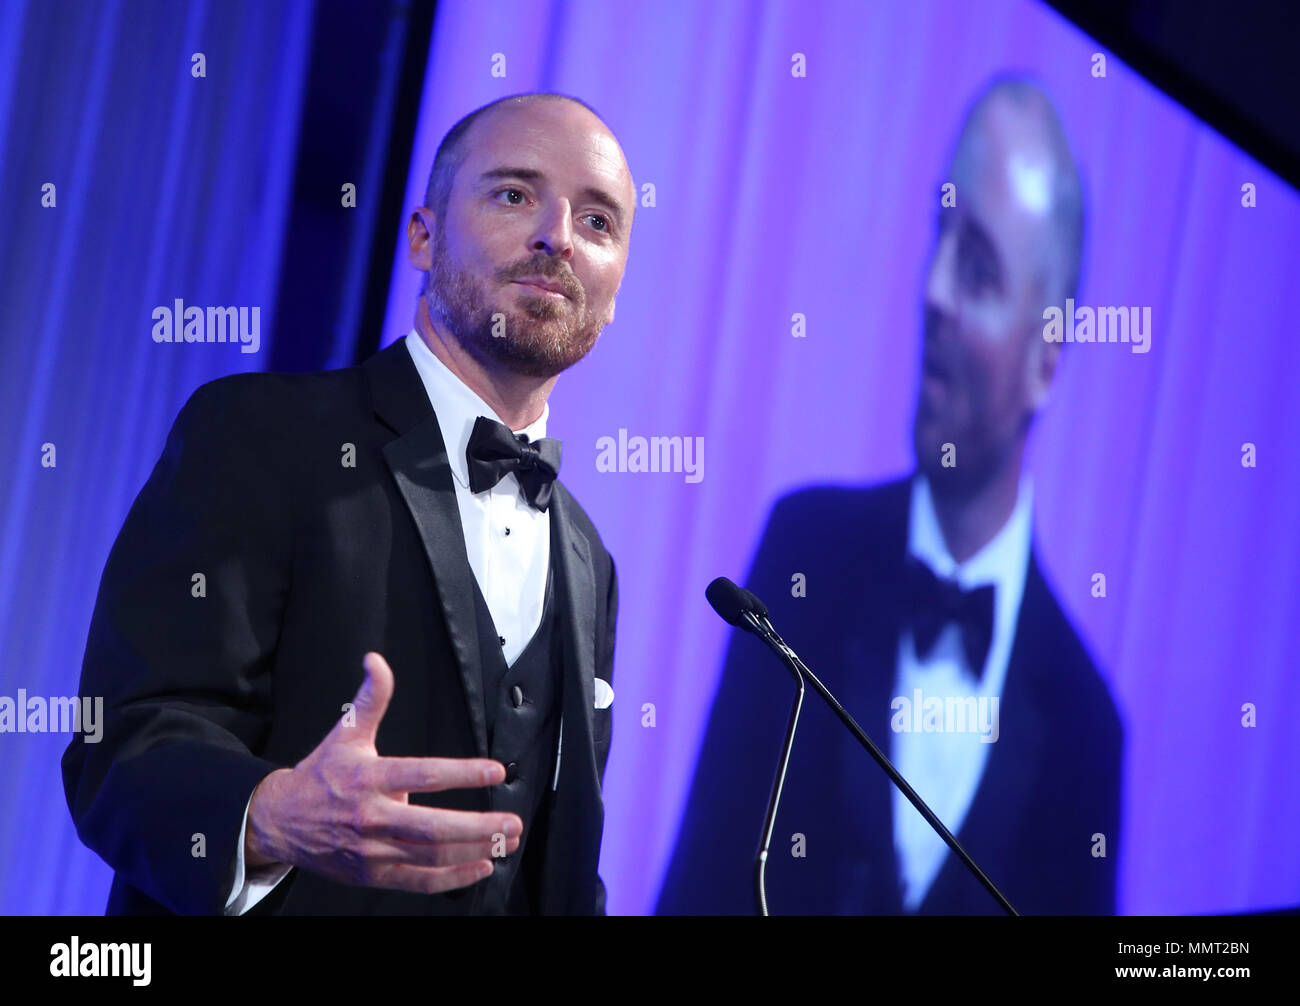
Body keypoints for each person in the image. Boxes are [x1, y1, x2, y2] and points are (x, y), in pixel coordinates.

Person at [62, 92, 634, 916]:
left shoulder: (589, 558)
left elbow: (562, 868)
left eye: (599, 222)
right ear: (422, 236)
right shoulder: (256, 433)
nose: (559, 237)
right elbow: (119, 743)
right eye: (514, 194)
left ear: (614, 295)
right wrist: (269, 819)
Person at [657, 77, 1124, 915]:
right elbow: (700, 879)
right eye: (940, 242)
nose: (934, 292)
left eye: (978, 271)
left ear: (1048, 360)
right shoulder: (805, 551)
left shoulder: (1087, 727)